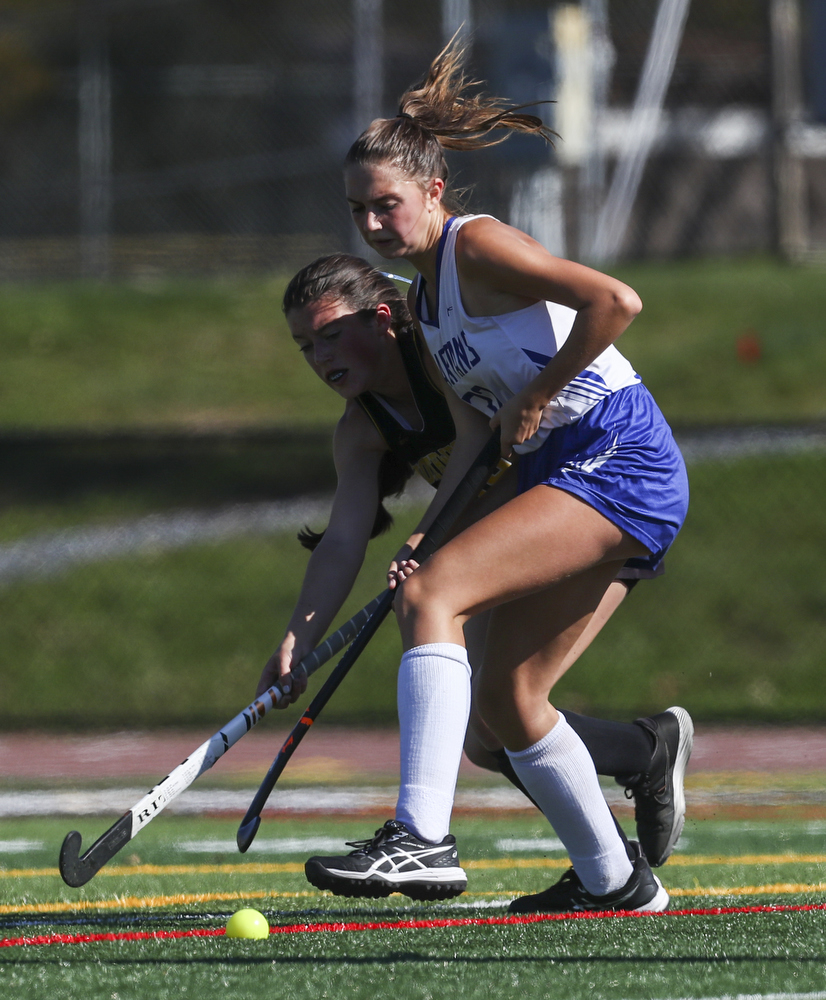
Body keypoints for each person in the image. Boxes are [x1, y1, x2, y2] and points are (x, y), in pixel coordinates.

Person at [299, 36, 692, 915]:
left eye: (386, 206)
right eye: (358, 211)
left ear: (433, 192)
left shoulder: (475, 247)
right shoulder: (426, 299)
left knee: (436, 601)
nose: (371, 226)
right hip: (570, 468)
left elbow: (614, 301)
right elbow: (477, 438)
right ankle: (616, 883)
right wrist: (428, 535)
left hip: (617, 456)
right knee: (508, 707)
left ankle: (421, 842)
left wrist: (545, 390)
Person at [259, 252, 692, 893]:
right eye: (305, 347)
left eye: (330, 335)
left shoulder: (444, 362)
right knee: (490, 734)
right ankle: (637, 778)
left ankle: (423, 839)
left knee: (445, 617)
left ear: (382, 320)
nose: (321, 358)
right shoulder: (361, 430)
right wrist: (298, 636)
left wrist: (429, 538)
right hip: (514, 541)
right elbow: (342, 541)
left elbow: (505, 459)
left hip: (584, 501)